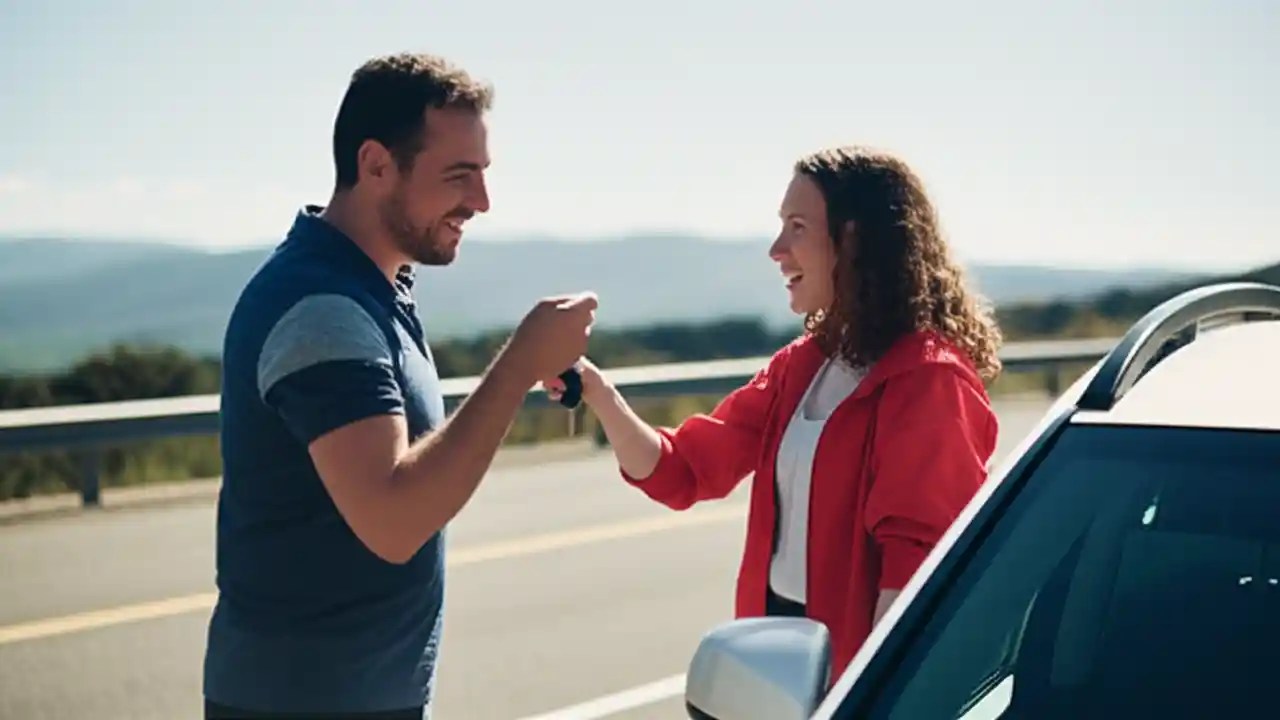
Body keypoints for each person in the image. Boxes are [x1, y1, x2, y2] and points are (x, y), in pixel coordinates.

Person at [203, 52, 596, 719]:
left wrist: (527, 365)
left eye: (483, 174)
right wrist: (520, 359)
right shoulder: (321, 307)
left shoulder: (376, 288)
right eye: (459, 176)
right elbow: (393, 520)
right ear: (376, 164)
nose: (482, 201)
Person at [548, 145, 1002, 680]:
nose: (776, 249)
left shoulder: (928, 379)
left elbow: (917, 569)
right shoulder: (802, 367)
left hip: (855, 679)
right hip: (778, 668)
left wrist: (868, 698)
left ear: (852, 238)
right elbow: (682, 469)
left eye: (797, 227)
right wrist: (600, 391)